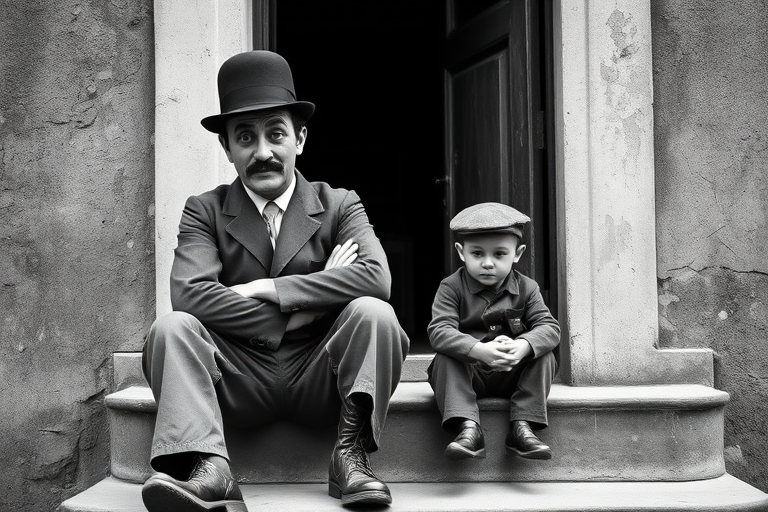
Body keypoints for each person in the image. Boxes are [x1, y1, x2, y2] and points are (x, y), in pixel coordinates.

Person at [140, 50, 409, 512]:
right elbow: (189, 295)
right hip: (237, 377)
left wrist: (271, 290)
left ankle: (350, 456)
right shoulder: (204, 209)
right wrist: (319, 295)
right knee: (171, 327)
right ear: (227, 148)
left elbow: (376, 278)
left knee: (375, 313)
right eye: (245, 137)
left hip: (319, 376)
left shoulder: (340, 204)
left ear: (300, 139)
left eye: (276, 134)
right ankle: (211, 469)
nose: (262, 151)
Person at [427, 202, 560, 462]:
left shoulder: (527, 288)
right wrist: (477, 350)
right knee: (443, 359)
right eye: (477, 254)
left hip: (512, 374)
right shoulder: (451, 287)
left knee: (544, 355)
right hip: (471, 373)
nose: (488, 263)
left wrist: (523, 345)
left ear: (517, 253)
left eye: (499, 254)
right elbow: (439, 330)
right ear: (461, 252)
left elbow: (550, 327)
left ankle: (523, 427)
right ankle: (467, 428)